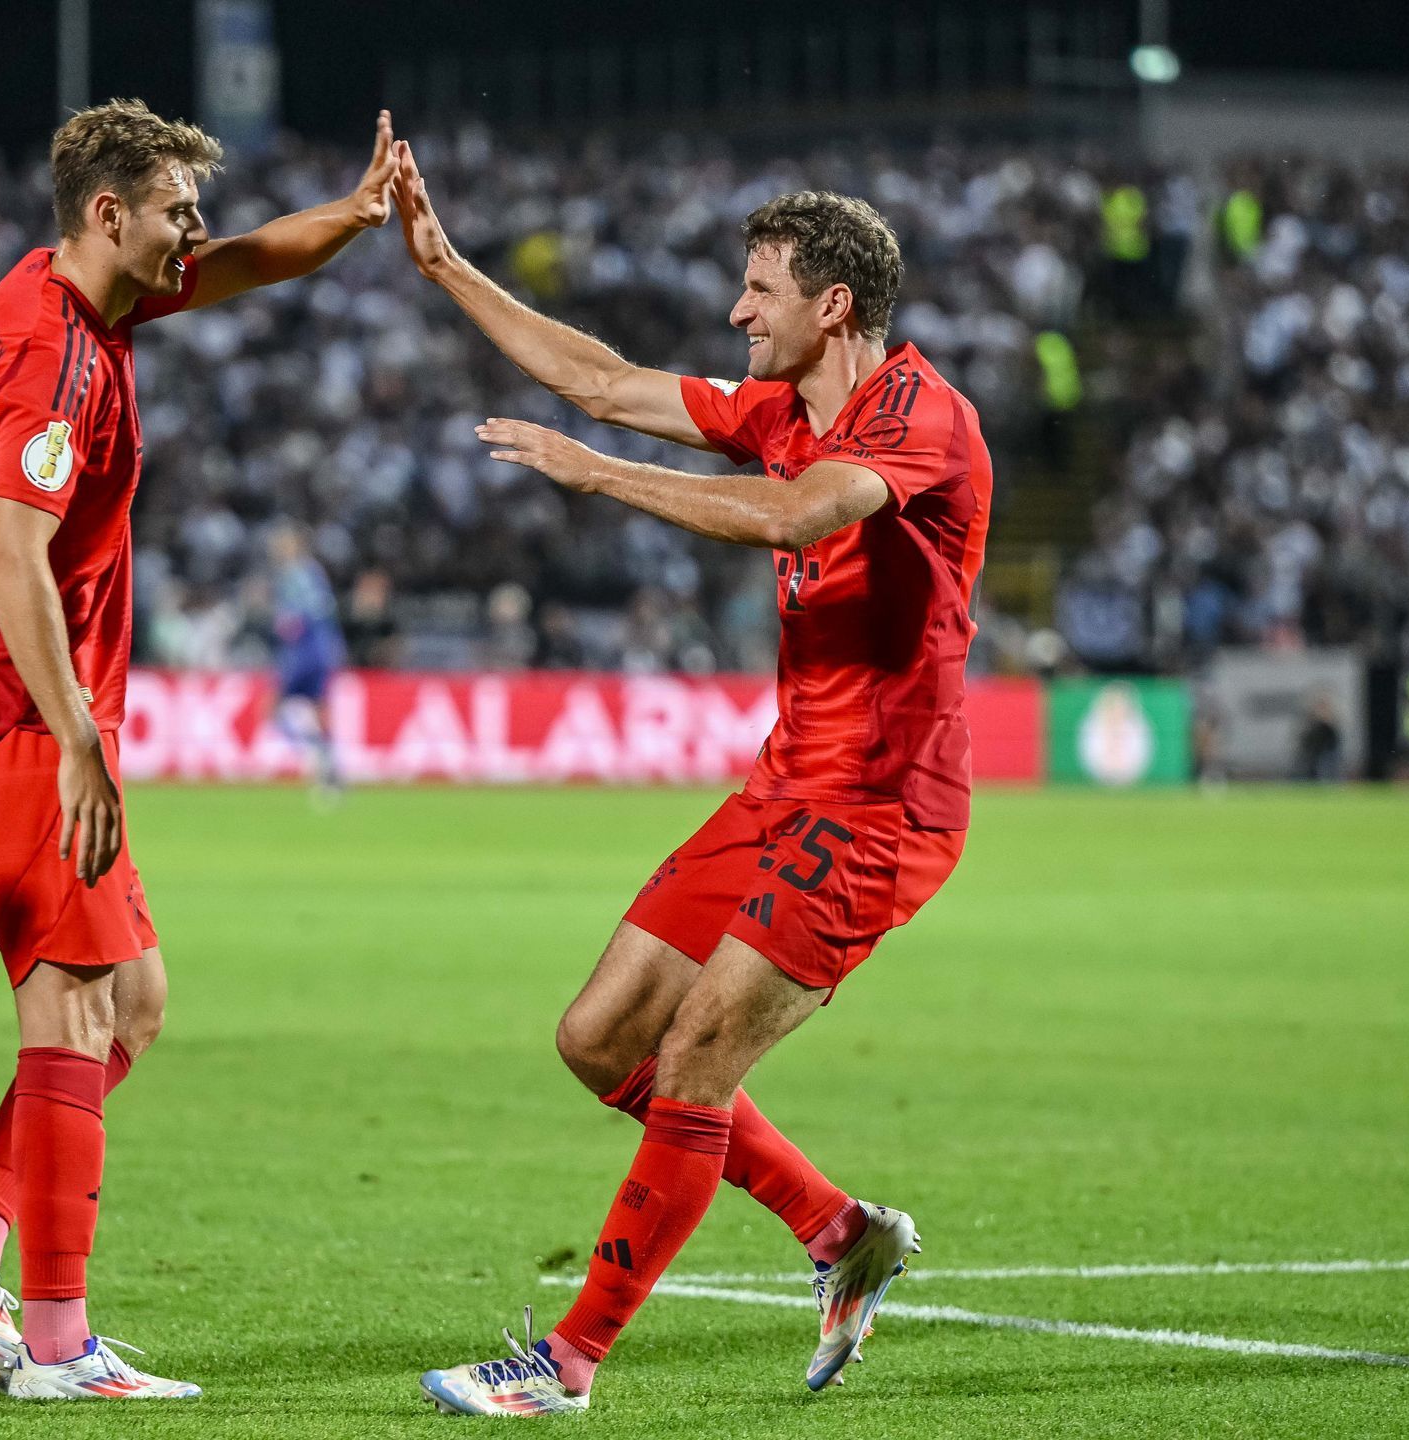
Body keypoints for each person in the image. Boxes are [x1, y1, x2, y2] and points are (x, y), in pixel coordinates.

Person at [391, 144, 991, 1415]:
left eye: (759, 290)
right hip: (783, 788)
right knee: (600, 1037)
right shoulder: (779, 411)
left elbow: (794, 516)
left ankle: (564, 1365)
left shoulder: (919, 418)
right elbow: (602, 382)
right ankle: (841, 1232)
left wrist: (595, 475)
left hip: (881, 809)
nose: (736, 313)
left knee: (698, 1055)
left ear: (832, 304)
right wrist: (446, 267)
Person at [0, 98, 398, 1402]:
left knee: (135, 1004)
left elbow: (244, 263)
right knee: (71, 1000)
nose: (197, 229)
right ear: (109, 214)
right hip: (19, 704)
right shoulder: (54, 357)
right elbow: (14, 557)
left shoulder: (88, 294)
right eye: (177, 209)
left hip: (34, 700)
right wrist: (75, 737)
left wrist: (354, 215)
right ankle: (58, 1347)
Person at [265, 520, 346, 805]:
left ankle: (318, 760)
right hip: (324, 648)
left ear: (293, 546)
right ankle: (329, 768)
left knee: (273, 709)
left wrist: (278, 628)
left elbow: (293, 622)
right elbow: (326, 611)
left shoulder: (291, 575)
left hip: (304, 650)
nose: (277, 550)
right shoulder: (314, 571)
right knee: (318, 708)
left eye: (281, 544)